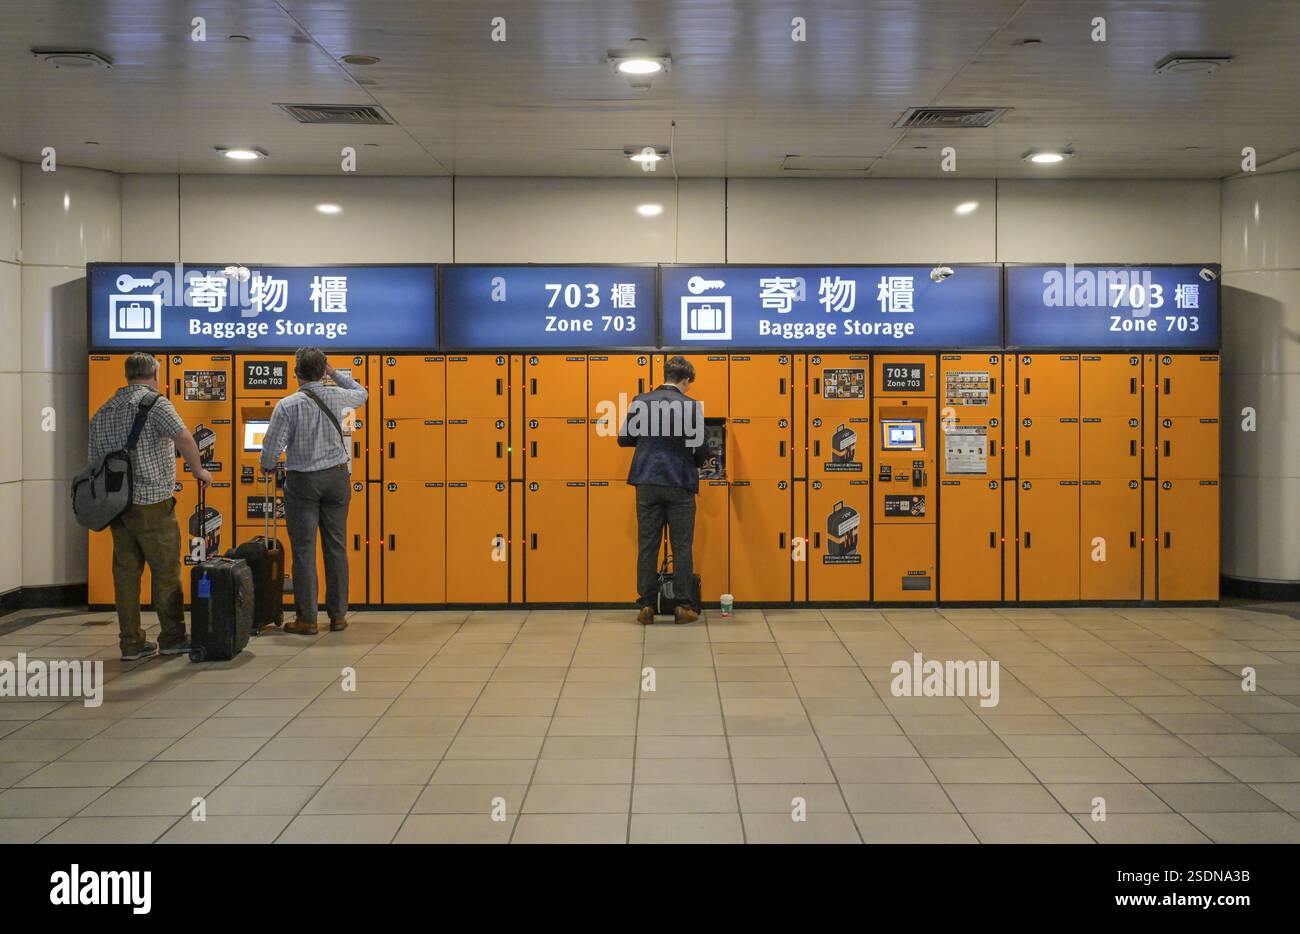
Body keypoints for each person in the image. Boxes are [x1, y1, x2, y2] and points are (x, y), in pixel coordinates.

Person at [88, 352, 213, 660]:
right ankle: (171, 637)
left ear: (127, 375)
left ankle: (131, 643)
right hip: (153, 502)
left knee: (127, 574)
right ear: (155, 374)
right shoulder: (156, 404)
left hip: (117, 507)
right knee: (166, 572)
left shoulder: (104, 411)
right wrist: (199, 470)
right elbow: (184, 437)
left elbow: (94, 462)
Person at [258, 347, 367, 635]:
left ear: (295, 373)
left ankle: (307, 619)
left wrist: (266, 466)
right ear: (322, 371)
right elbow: (362, 393)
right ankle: (338, 616)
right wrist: (334, 373)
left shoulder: (288, 405)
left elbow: (272, 447)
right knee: (336, 547)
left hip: (303, 482)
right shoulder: (340, 396)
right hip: (336, 478)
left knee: (304, 550)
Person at [619, 355, 709, 624]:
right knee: (682, 546)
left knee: (648, 545)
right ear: (684, 380)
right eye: (688, 384)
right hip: (679, 482)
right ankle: (683, 606)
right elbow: (702, 449)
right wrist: (694, 461)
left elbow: (624, 438)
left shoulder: (641, 401)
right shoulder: (691, 406)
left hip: (646, 480)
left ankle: (646, 605)